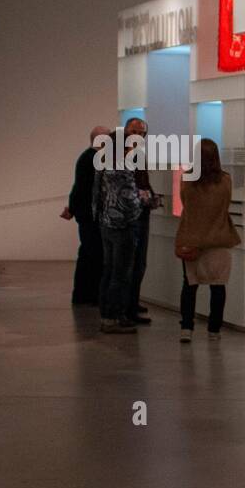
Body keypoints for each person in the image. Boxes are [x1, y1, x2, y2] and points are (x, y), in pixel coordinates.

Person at [174, 139, 240, 343]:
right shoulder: (226, 180)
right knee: (218, 286)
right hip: (219, 239)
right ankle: (214, 330)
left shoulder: (187, 179)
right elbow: (226, 203)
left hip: (192, 238)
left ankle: (187, 328)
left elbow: (185, 203)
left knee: (190, 285)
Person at [92, 129, 142, 334]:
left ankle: (106, 314)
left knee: (109, 270)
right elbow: (130, 199)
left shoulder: (102, 163)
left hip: (105, 223)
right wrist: (146, 201)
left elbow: (96, 193)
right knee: (120, 273)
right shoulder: (123, 168)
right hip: (122, 226)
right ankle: (113, 317)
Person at [61, 125, 109, 305]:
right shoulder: (93, 159)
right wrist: (73, 209)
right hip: (91, 216)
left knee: (89, 254)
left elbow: (78, 188)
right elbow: (82, 189)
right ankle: (88, 295)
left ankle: (84, 295)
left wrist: (73, 209)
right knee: (93, 255)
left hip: (87, 215)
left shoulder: (87, 157)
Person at [124, 117, 159, 326]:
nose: (138, 136)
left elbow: (143, 182)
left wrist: (151, 197)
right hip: (129, 217)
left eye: (142, 133)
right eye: (134, 131)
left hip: (140, 214)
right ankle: (126, 308)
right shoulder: (120, 157)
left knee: (139, 263)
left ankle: (131, 303)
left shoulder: (138, 155)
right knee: (130, 264)